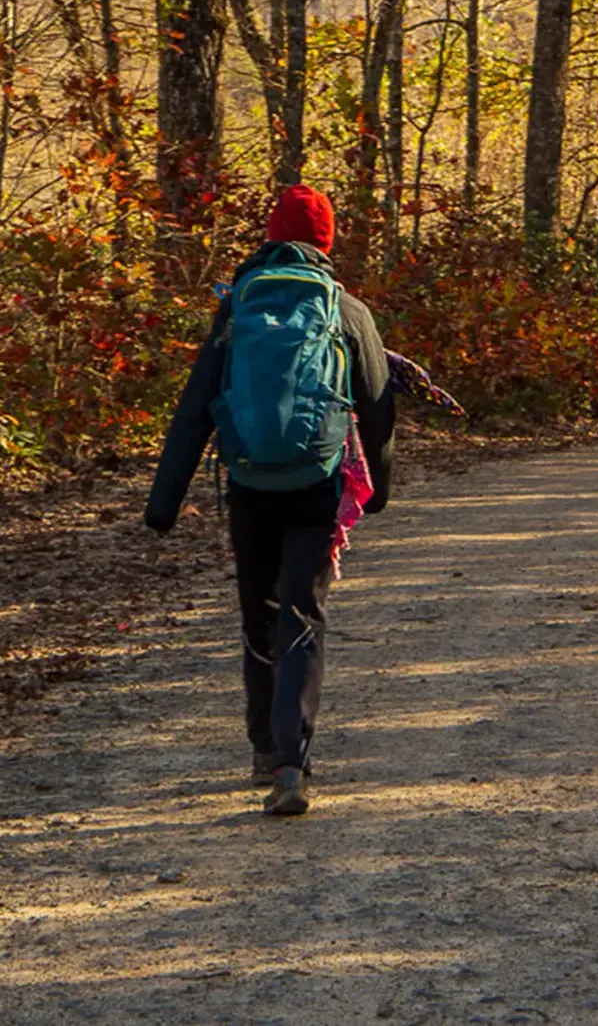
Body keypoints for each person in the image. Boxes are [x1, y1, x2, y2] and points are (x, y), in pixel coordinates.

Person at [144, 185, 395, 816]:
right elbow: (378, 406)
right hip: (316, 480)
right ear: (327, 241)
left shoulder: (237, 309)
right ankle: (291, 762)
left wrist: (163, 501)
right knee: (302, 615)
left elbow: (197, 403)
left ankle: (262, 744)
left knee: (257, 612)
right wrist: (380, 490)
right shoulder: (346, 310)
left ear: (268, 236)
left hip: (250, 482)